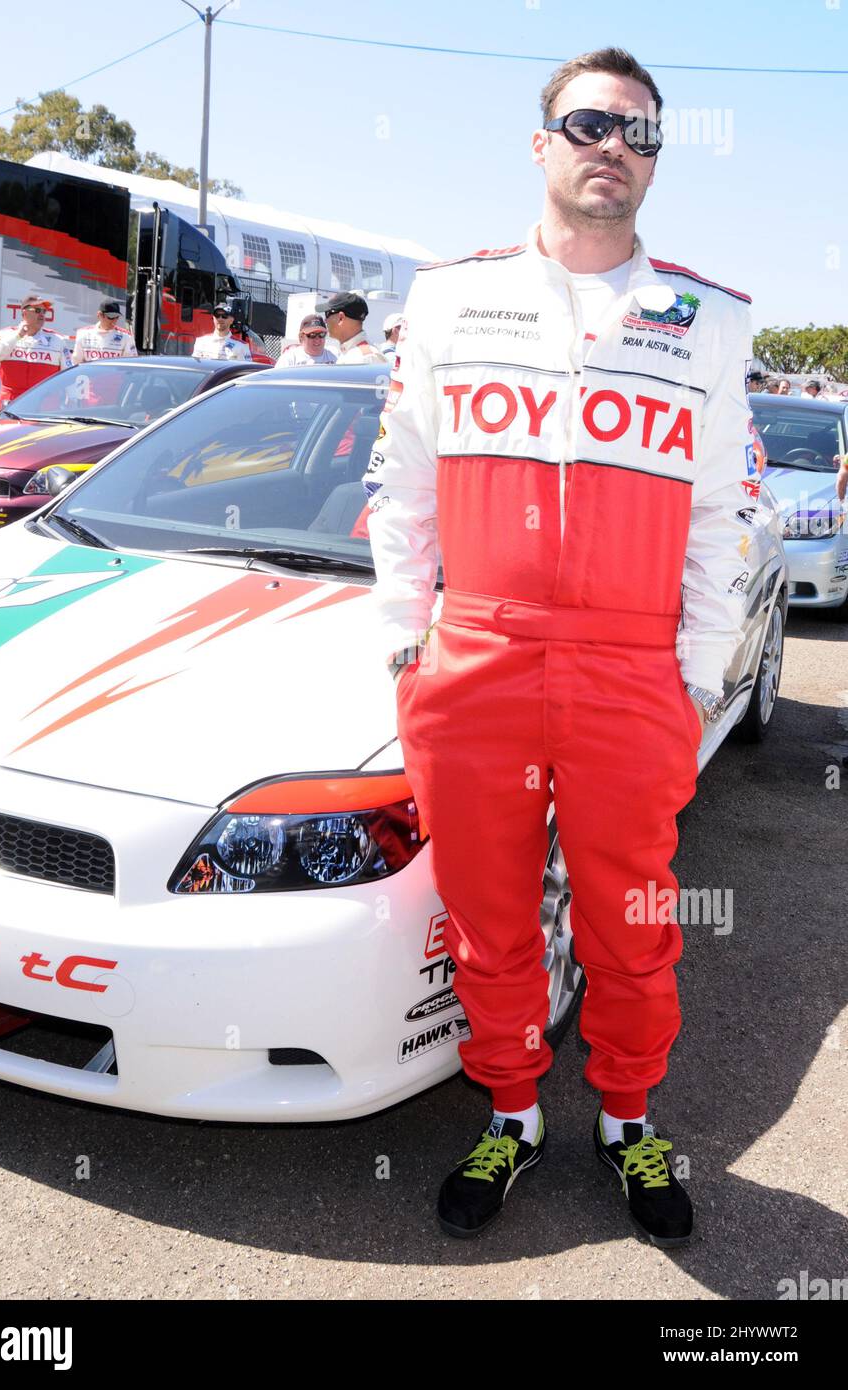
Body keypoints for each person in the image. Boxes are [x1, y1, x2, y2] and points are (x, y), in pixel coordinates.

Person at [363, 46, 757, 1247]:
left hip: (630, 671)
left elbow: (721, 521)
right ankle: (515, 1108)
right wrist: (404, 648)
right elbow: (404, 486)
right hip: (476, 658)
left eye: (641, 133)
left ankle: (630, 1117)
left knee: (631, 919)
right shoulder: (445, 297)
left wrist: (691, 679)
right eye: (590, 124)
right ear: (543, 145)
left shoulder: (713, 319)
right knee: (489, 919)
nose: (615, 148)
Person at [0, 295, 72, 407]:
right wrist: (18, 336)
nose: (41, 314)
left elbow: (68, 372)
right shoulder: (5, 334)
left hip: (46, 403)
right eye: (37, 310)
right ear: (24, 313)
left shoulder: (57, 340)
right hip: (11, 402)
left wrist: (71, 398)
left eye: (44, 311)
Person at [323, 292, 387, 364]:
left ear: (341, 318)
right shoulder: (352, 353)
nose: (325, 320)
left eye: (327, 314)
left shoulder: (365, 358)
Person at [72, 298, 138, 364]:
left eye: (117, 316)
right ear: (99, 315)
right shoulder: (83, 334)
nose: (114, 320)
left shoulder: (126, 336)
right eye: (111, 316)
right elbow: (76, 363)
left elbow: (131, 364)